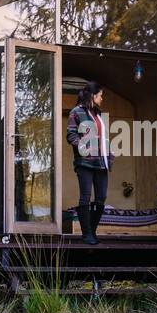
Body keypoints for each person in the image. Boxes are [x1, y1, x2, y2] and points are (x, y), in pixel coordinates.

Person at [66, 81, 113, 244]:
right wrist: (84, 147)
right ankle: (87, 234)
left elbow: (104, 138)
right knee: (85, 197)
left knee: (101, 197)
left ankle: (92, 231)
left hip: (101, 163)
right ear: (93, 96)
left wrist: (110, 153)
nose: (102, 99)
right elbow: (71, 135)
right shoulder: (76, 112)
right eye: (100, 96)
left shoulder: (98, 115)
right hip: (85, 162)